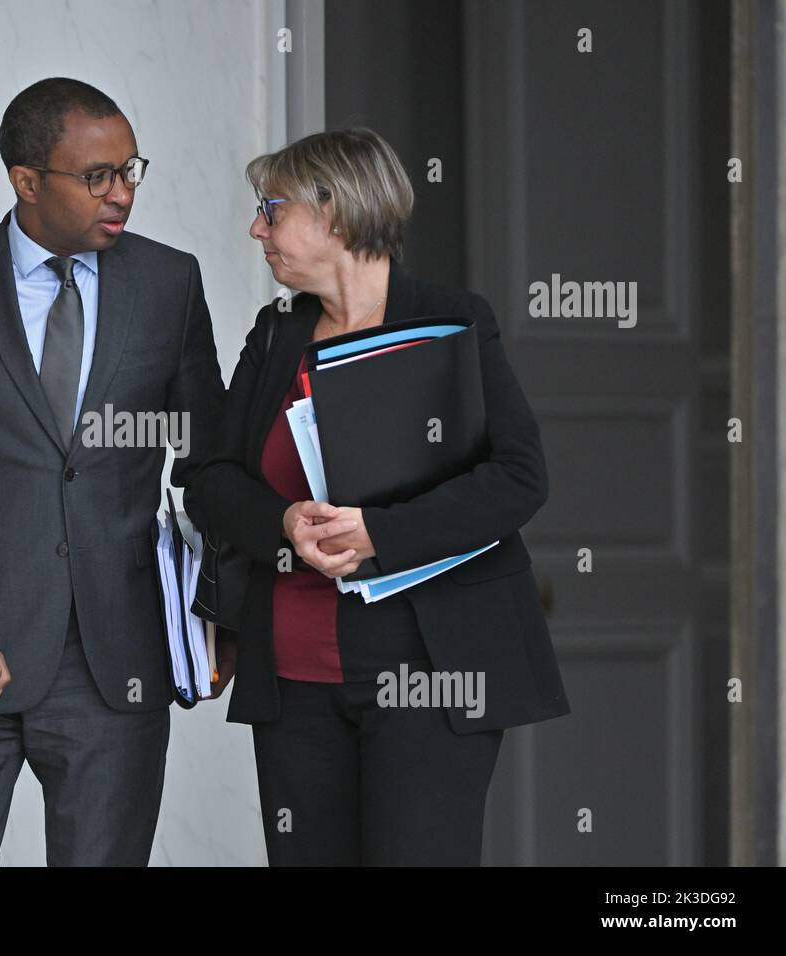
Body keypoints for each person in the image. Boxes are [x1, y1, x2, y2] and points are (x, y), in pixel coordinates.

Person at [0, 77, 224, 865]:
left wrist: (218, 617)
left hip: (118, 660)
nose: (122, 193)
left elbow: (210, 463)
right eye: (98, 176)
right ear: (26, 182)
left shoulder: (170, 284)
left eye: (131, 170)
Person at [193, 127, 571, 866]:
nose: (256, 229)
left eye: (272, 209)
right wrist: (282, 520)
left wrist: (381, 534)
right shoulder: (274, 336)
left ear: (334, 214)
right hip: (295, 681)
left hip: (430, 672)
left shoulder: (453, 321)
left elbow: (519, 478)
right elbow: (210, 481)